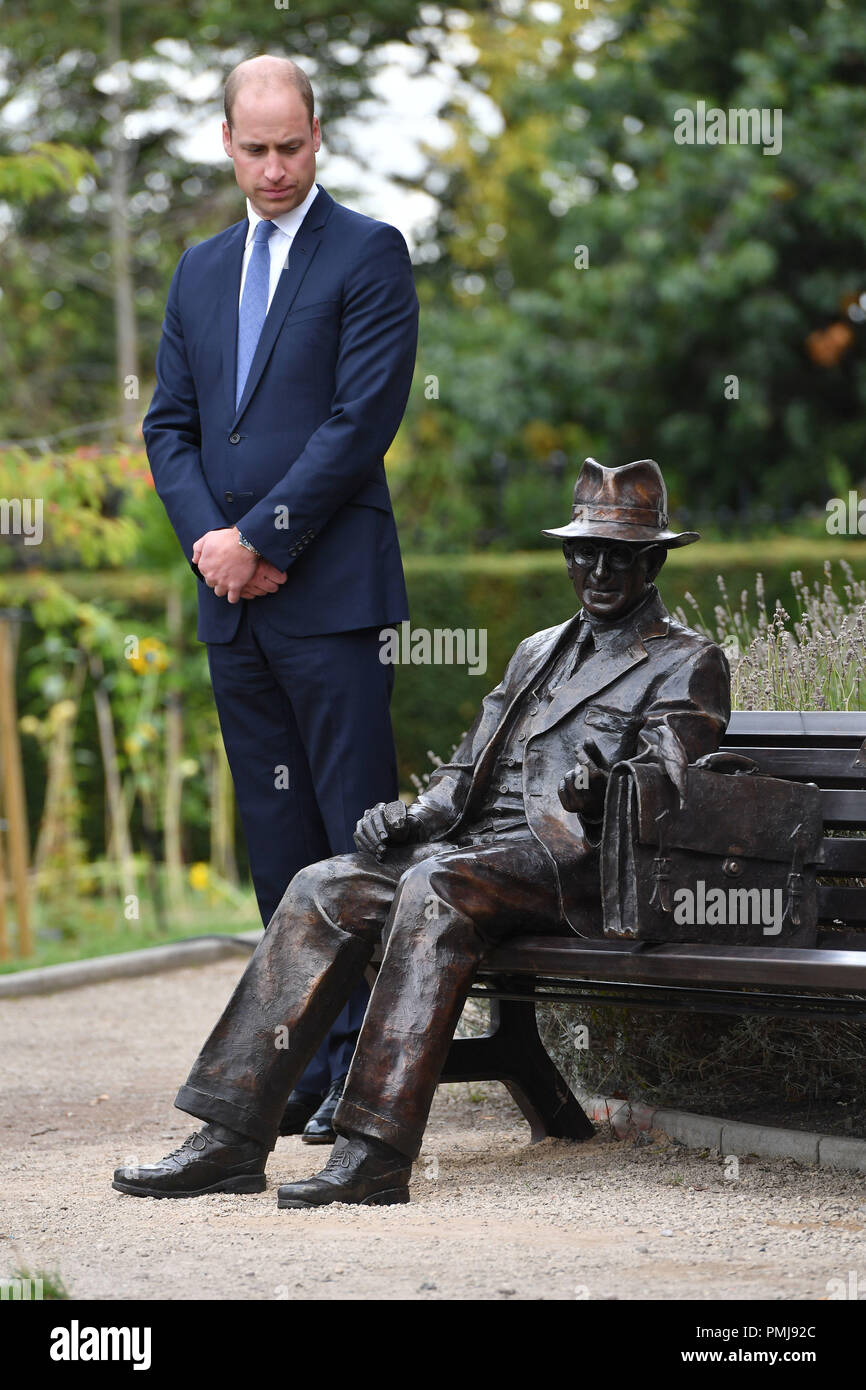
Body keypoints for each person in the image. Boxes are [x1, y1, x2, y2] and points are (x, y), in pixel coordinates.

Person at [113, 459, 731, 1207]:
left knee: (432, 886)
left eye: (620, 555)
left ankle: (371, 1150)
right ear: (566, 557)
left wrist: (606, 787)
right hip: (475, 851)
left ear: (654, 560)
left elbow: (673, 779)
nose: (599, 569)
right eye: (584, 552)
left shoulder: (686, 660)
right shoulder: (539, 649)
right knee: (323, 884)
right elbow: (466, 768)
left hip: (575, 866)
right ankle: (230, 1136)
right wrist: (414, 813)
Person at [141, 55, 418, 1142]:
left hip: (329, 598)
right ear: (225, 141)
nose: (270, 168)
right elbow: (169, 426)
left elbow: (361, 420)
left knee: (351, 845)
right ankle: (296, 1062)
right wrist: (214, 545)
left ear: (318, 136)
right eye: (252, 148)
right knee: (273, 846)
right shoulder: (197, 270)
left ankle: (363, 1074)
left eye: (288, 147)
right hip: (234, 604)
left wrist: (262, 539)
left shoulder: (368, 252)